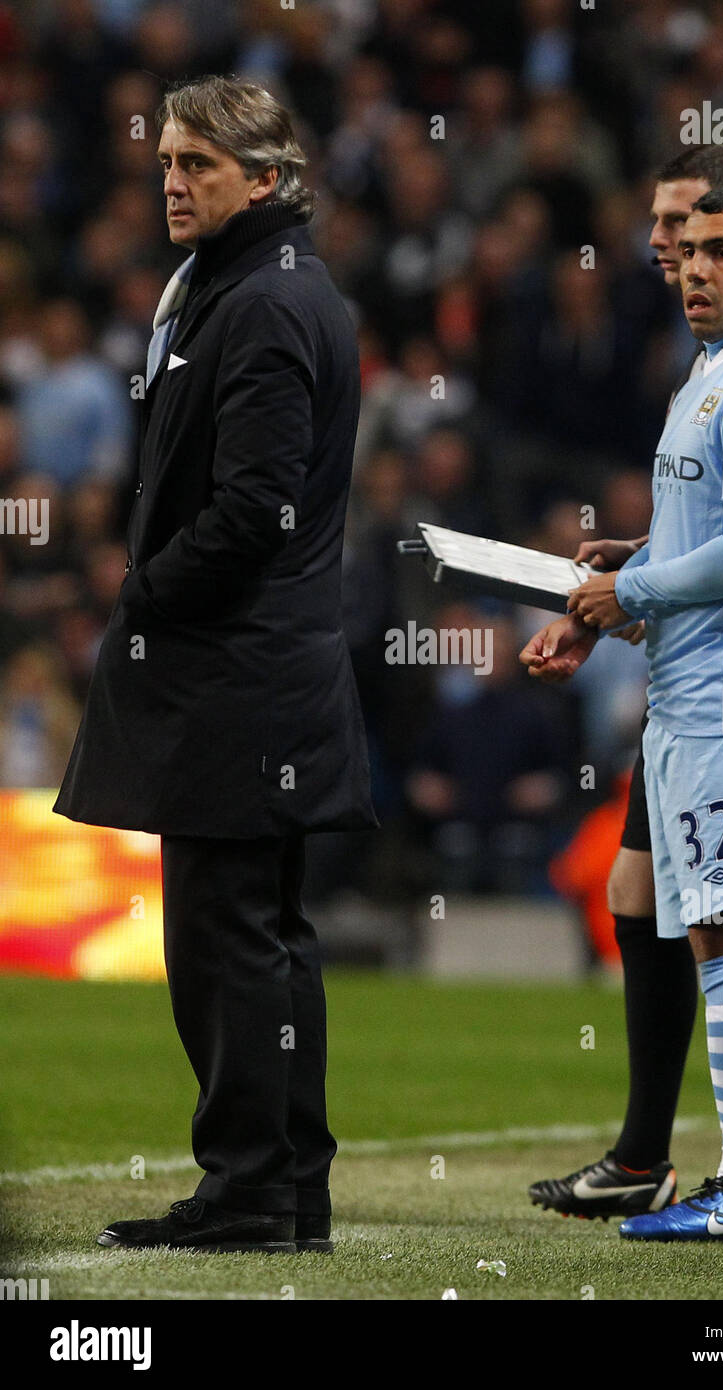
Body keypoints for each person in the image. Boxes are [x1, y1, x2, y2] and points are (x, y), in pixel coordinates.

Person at [53, 76, 376, 1254]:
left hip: (243, 678)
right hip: (253, 674)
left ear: (268, 179)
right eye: (170, 161)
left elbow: (254, 511)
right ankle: (280, 1186)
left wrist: (140, 588)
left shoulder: (262, 306)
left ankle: (257, 1186)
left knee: (227, 935)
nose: (175, 182)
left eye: (201, 165)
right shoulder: (252, 289)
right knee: (256, 933)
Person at [527, 182, 723, 1241]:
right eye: (686, 249)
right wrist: (633, 566)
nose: (691, 267)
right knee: (717, 927)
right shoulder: (719, 371)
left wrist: (635, 592)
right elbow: (712, 533)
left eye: (718, 250)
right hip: (696, 701)